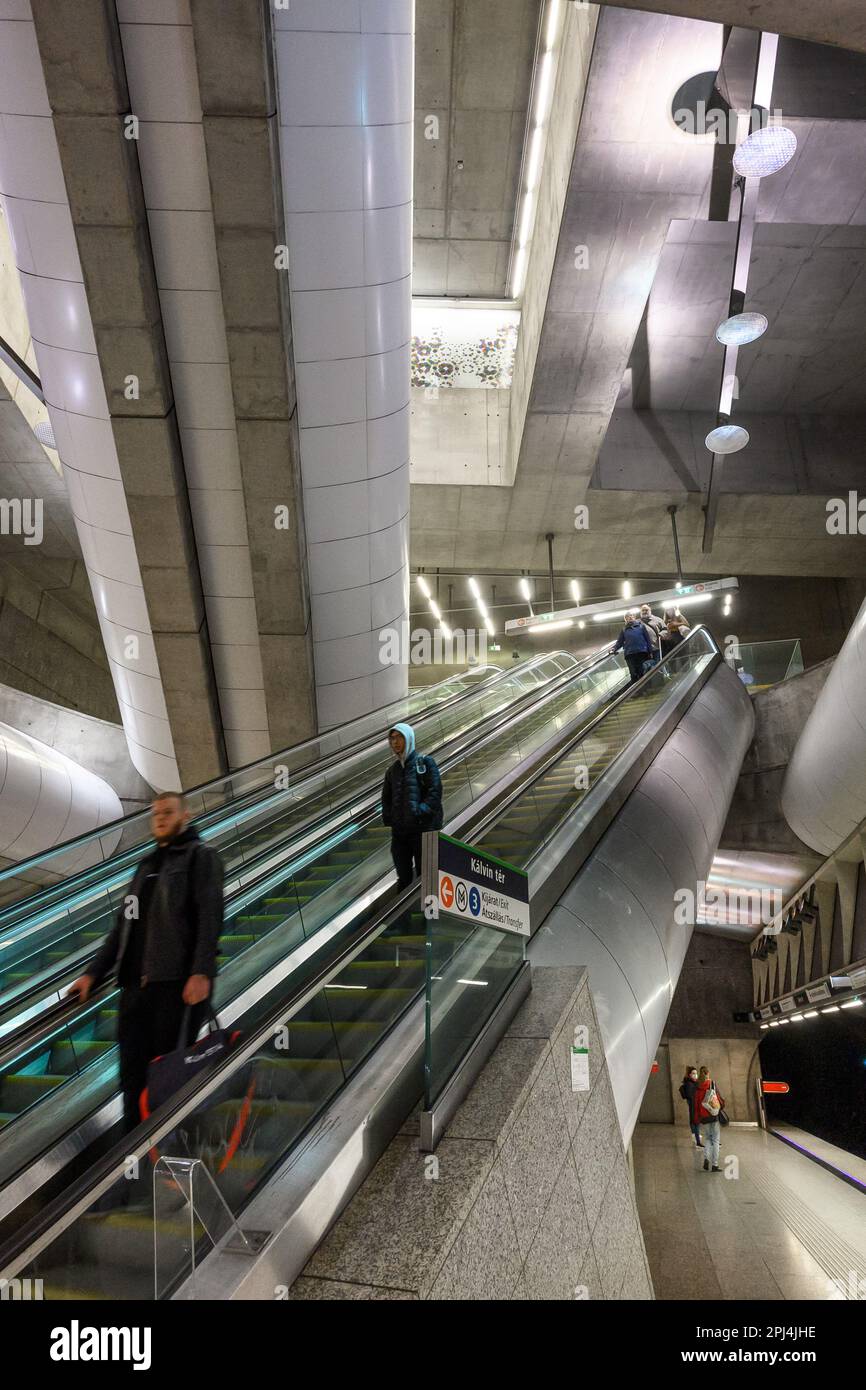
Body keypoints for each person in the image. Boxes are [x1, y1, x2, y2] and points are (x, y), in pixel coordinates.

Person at [68, 792, 224, 1133]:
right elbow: (122, 928)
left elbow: (209, 916)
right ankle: (135, 1156)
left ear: (185, 815)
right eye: (156, 814)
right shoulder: (146, 867)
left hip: (175, 988)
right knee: (132, 1078)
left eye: (168, 812)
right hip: (135, 992)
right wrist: (92, 975)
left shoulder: (201, 858)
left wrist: (201, 971)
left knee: (166, 1077)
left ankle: (169, 1150)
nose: (161, 818)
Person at [381, 722, 443, 888]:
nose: (395, 742)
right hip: (400, 835)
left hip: (423, 831)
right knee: (403, 879)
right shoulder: (392, 771)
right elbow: (386, 800)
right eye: (392, 738)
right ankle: (402, 914)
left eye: (399, 737)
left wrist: (418, 812)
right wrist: (392, 819)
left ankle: (429, 914)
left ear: (409, 738)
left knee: (427, 878)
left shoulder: (425, 762)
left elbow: (435, 793)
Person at [694, 1065, 725, 1172]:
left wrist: (698, 1117)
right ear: (707, 1073)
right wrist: (722, 1105)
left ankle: (706, 1158)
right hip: (714, 1114)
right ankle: (715, 1165)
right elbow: (719, 1098)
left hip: (704, 1117)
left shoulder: (697, 1086)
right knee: (716, 1140)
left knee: (707, 1138)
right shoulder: (711, 1083)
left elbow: (696, 1104)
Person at [613, 611, 653, 683]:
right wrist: (614, 649)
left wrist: (650, 651)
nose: (630, 617)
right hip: (630, 654)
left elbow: (648, 639)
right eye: (628, 616)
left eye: (632, 615)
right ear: (626, 619)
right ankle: (636, 691)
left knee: (642, 671)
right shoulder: (624, 630)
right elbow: (620, 641)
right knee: (633, 673)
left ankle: (645, 689)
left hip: (642, 652)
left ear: (634, 617)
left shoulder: (641, 626)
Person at [679, 1066, 702, 1148]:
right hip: (693, 1104)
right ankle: (697, 1139)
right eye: (693, 1073)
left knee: (693, 1120)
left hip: (693, 1104)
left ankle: (695, 1136)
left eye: (696, 1073)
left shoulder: (692, 1082)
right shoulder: (690, 1083)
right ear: (689, 1075)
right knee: (695, 1121)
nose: (696, 1075)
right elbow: (690, 1095)